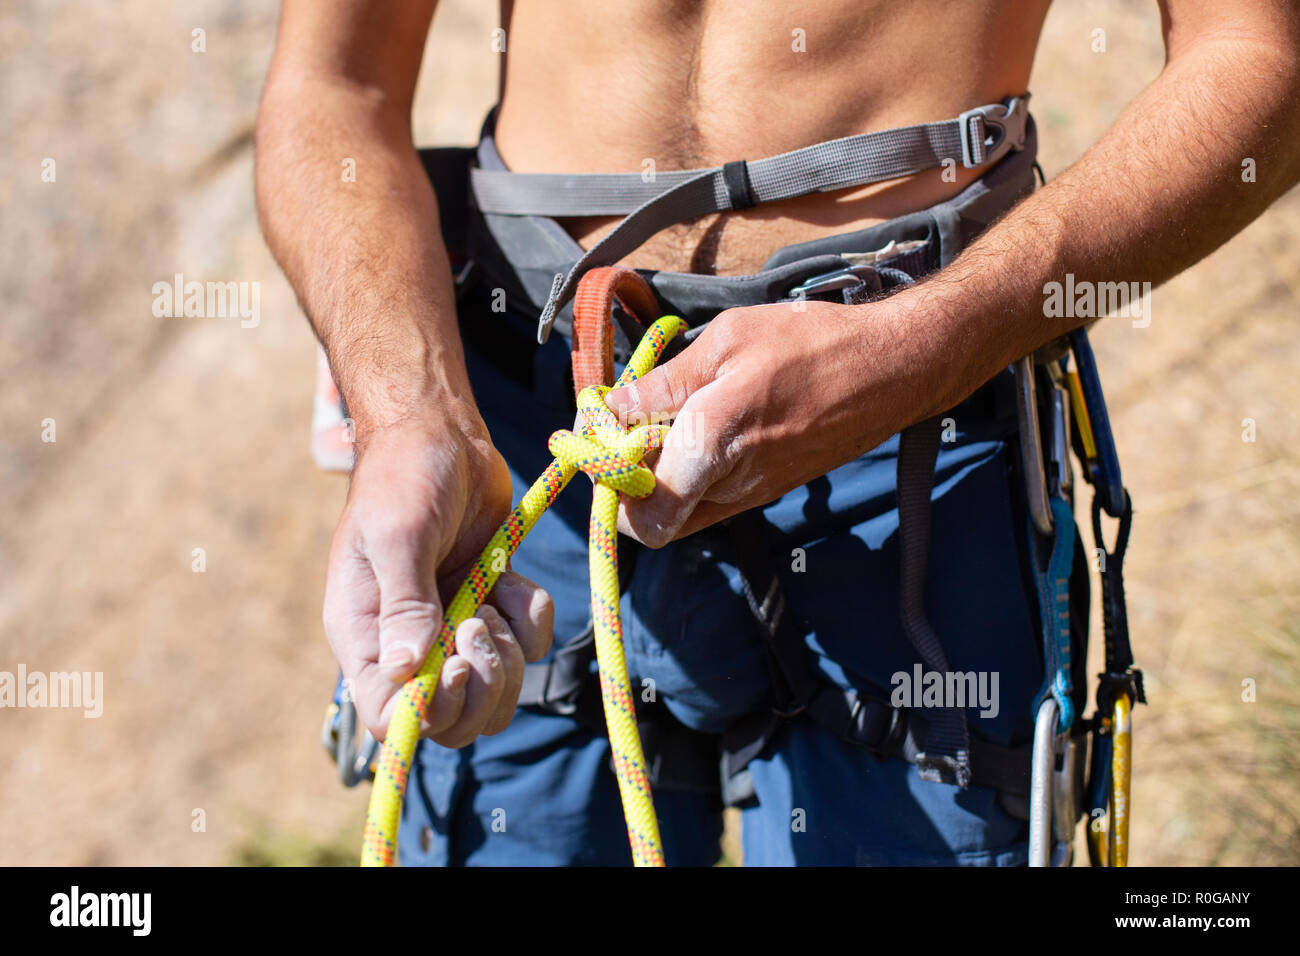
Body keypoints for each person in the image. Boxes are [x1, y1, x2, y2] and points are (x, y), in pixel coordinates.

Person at [256, 1, 1300, 865]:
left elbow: (1256, 54)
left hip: (906, 428)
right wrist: (408, 412)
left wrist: (919, 345)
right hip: (528, 419)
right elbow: (333, 84)